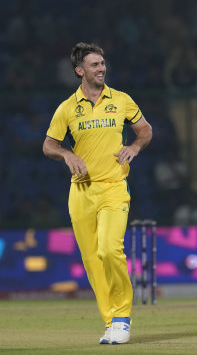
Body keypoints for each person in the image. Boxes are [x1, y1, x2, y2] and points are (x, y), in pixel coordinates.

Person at [43, 42, 153, 345]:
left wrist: (133, 146)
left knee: (108, 250)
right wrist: (66, 155)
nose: (101, 68)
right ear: (80, 71)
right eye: (94, 65)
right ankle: (111, 322)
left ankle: (122, 317)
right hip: (80, 192)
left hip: (114, 187)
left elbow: (145, 130)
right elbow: (48, 145)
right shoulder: (67, 107)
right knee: (92, 260)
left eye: (102, 63)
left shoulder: (121, 100)